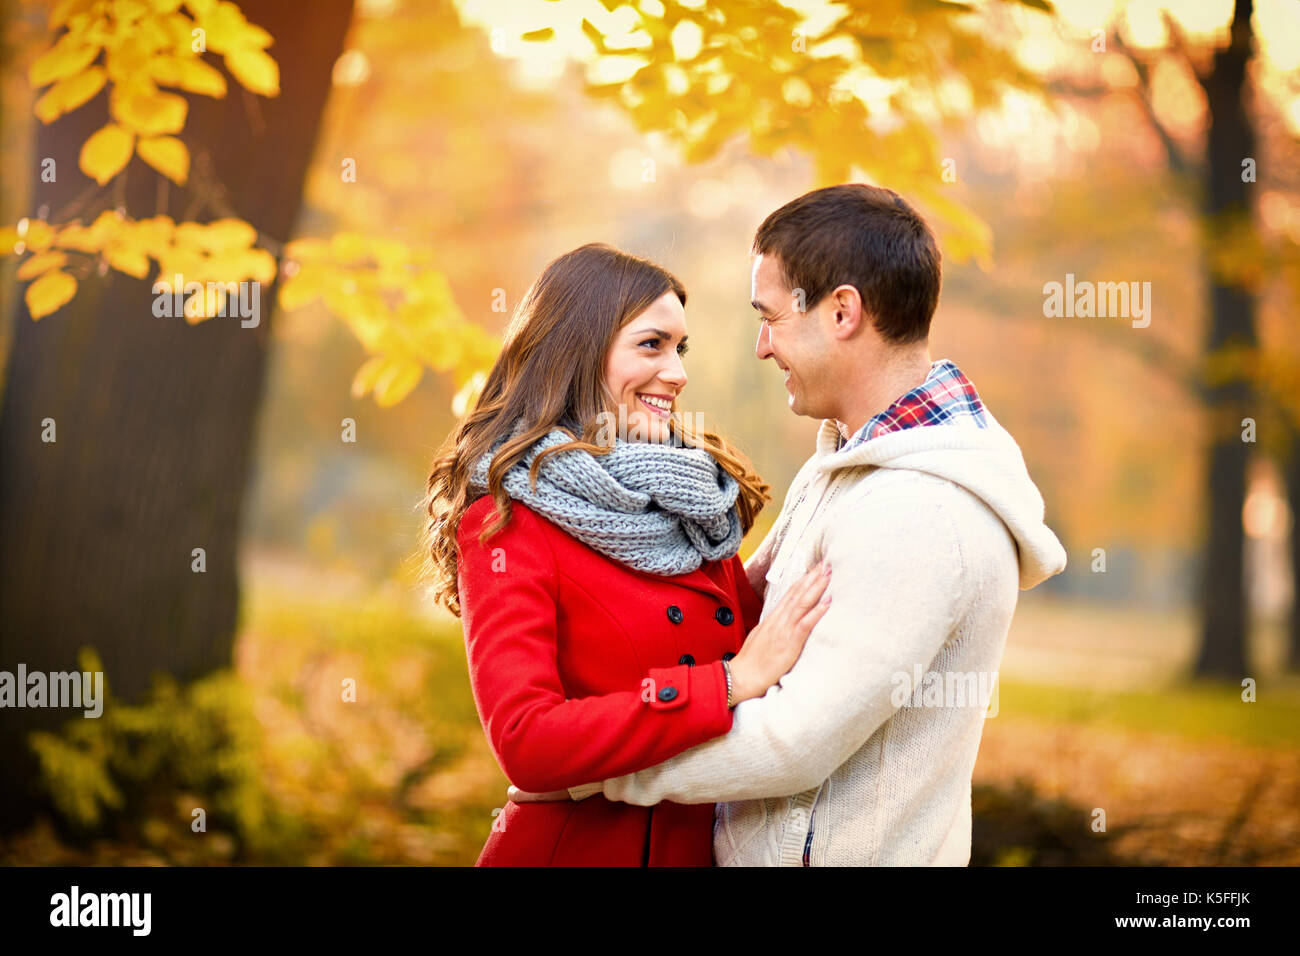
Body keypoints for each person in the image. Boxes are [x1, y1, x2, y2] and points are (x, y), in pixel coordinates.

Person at [513, 184, 1069, 866]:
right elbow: (740, 621)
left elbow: (795, 741)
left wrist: (593, 776)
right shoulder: (846, 466)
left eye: (770, 317)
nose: (761, 347)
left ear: (841, 312)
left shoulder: (922, 510)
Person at [419, 241, 832, 866]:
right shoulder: (508, 520)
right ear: (579, 351)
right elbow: (525, 739)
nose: (678, 371)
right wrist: (725, 684)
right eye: (651, 344)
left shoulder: (692, 498)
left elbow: (753, 644)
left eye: (680, 348)